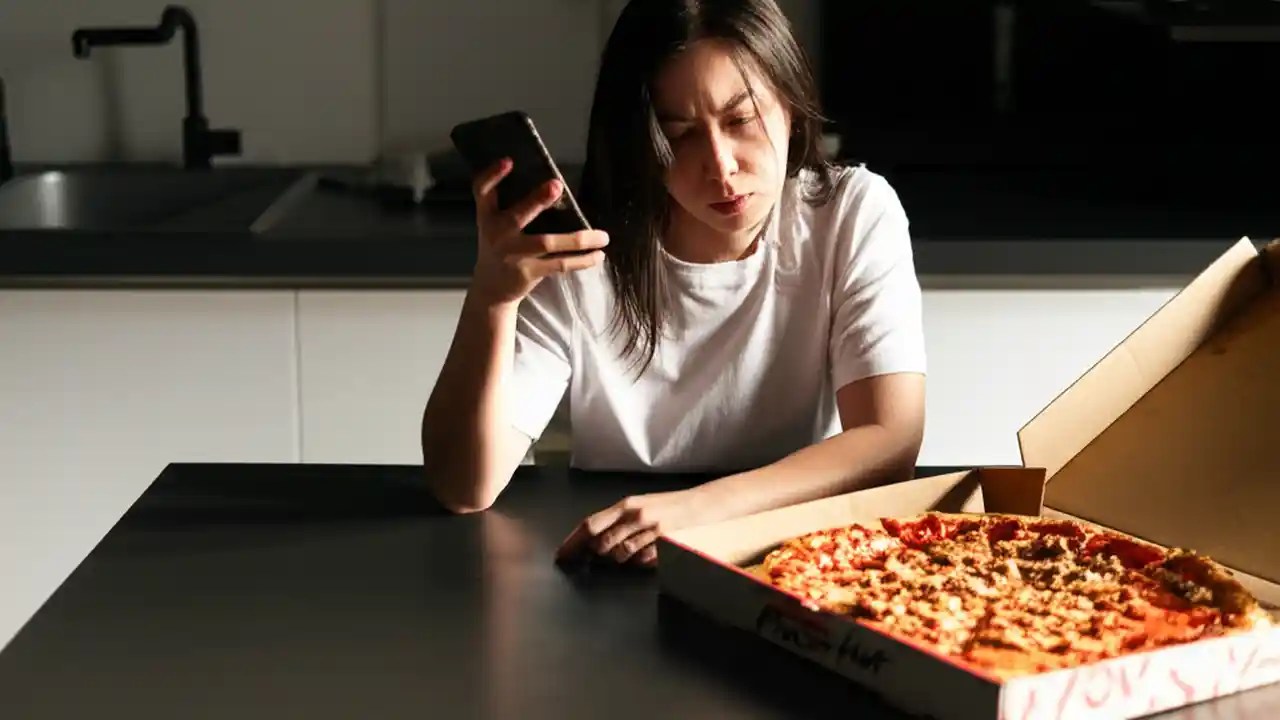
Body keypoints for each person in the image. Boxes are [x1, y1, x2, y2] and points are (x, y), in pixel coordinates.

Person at [421, 0, 927, 567]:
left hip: (791, 555)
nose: (720, 165)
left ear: (791, 105)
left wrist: (700, 511)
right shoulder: (585, 252)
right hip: (615, 554)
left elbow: (890, 440)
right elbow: (465, 488)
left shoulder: (850, 212)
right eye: (680, 136)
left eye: (741, 120)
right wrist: (492, 298)